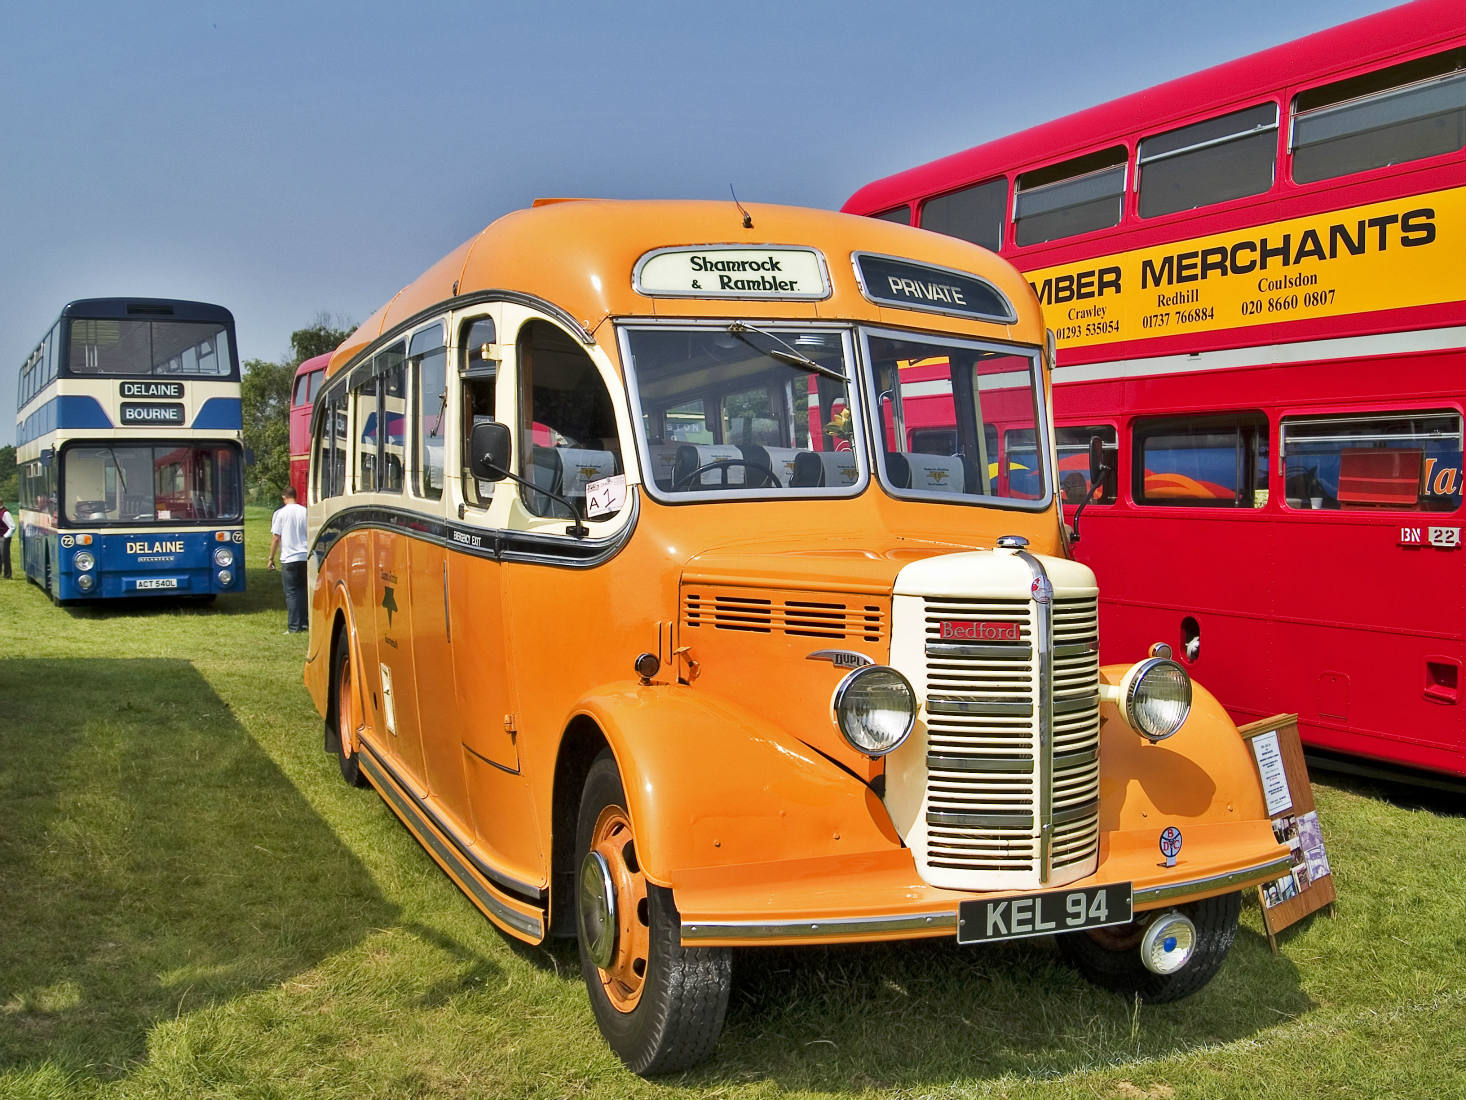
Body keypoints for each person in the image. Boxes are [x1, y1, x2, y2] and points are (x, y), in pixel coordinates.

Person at [267, 486, 309, 633]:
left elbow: (276, 537)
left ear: (284, 497)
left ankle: (293, 626)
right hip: (304, 556)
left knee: (291, 592)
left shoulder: (281, 513)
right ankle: (304, 622)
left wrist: (271, 558)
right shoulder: (305, 511)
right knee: (303, 590)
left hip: (289, 557)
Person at [0, 502, 15, 579]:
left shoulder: (5, 513)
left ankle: (7, 575)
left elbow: (12, 526)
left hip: (4, 537)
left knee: (4, 556)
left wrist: (5, 537)